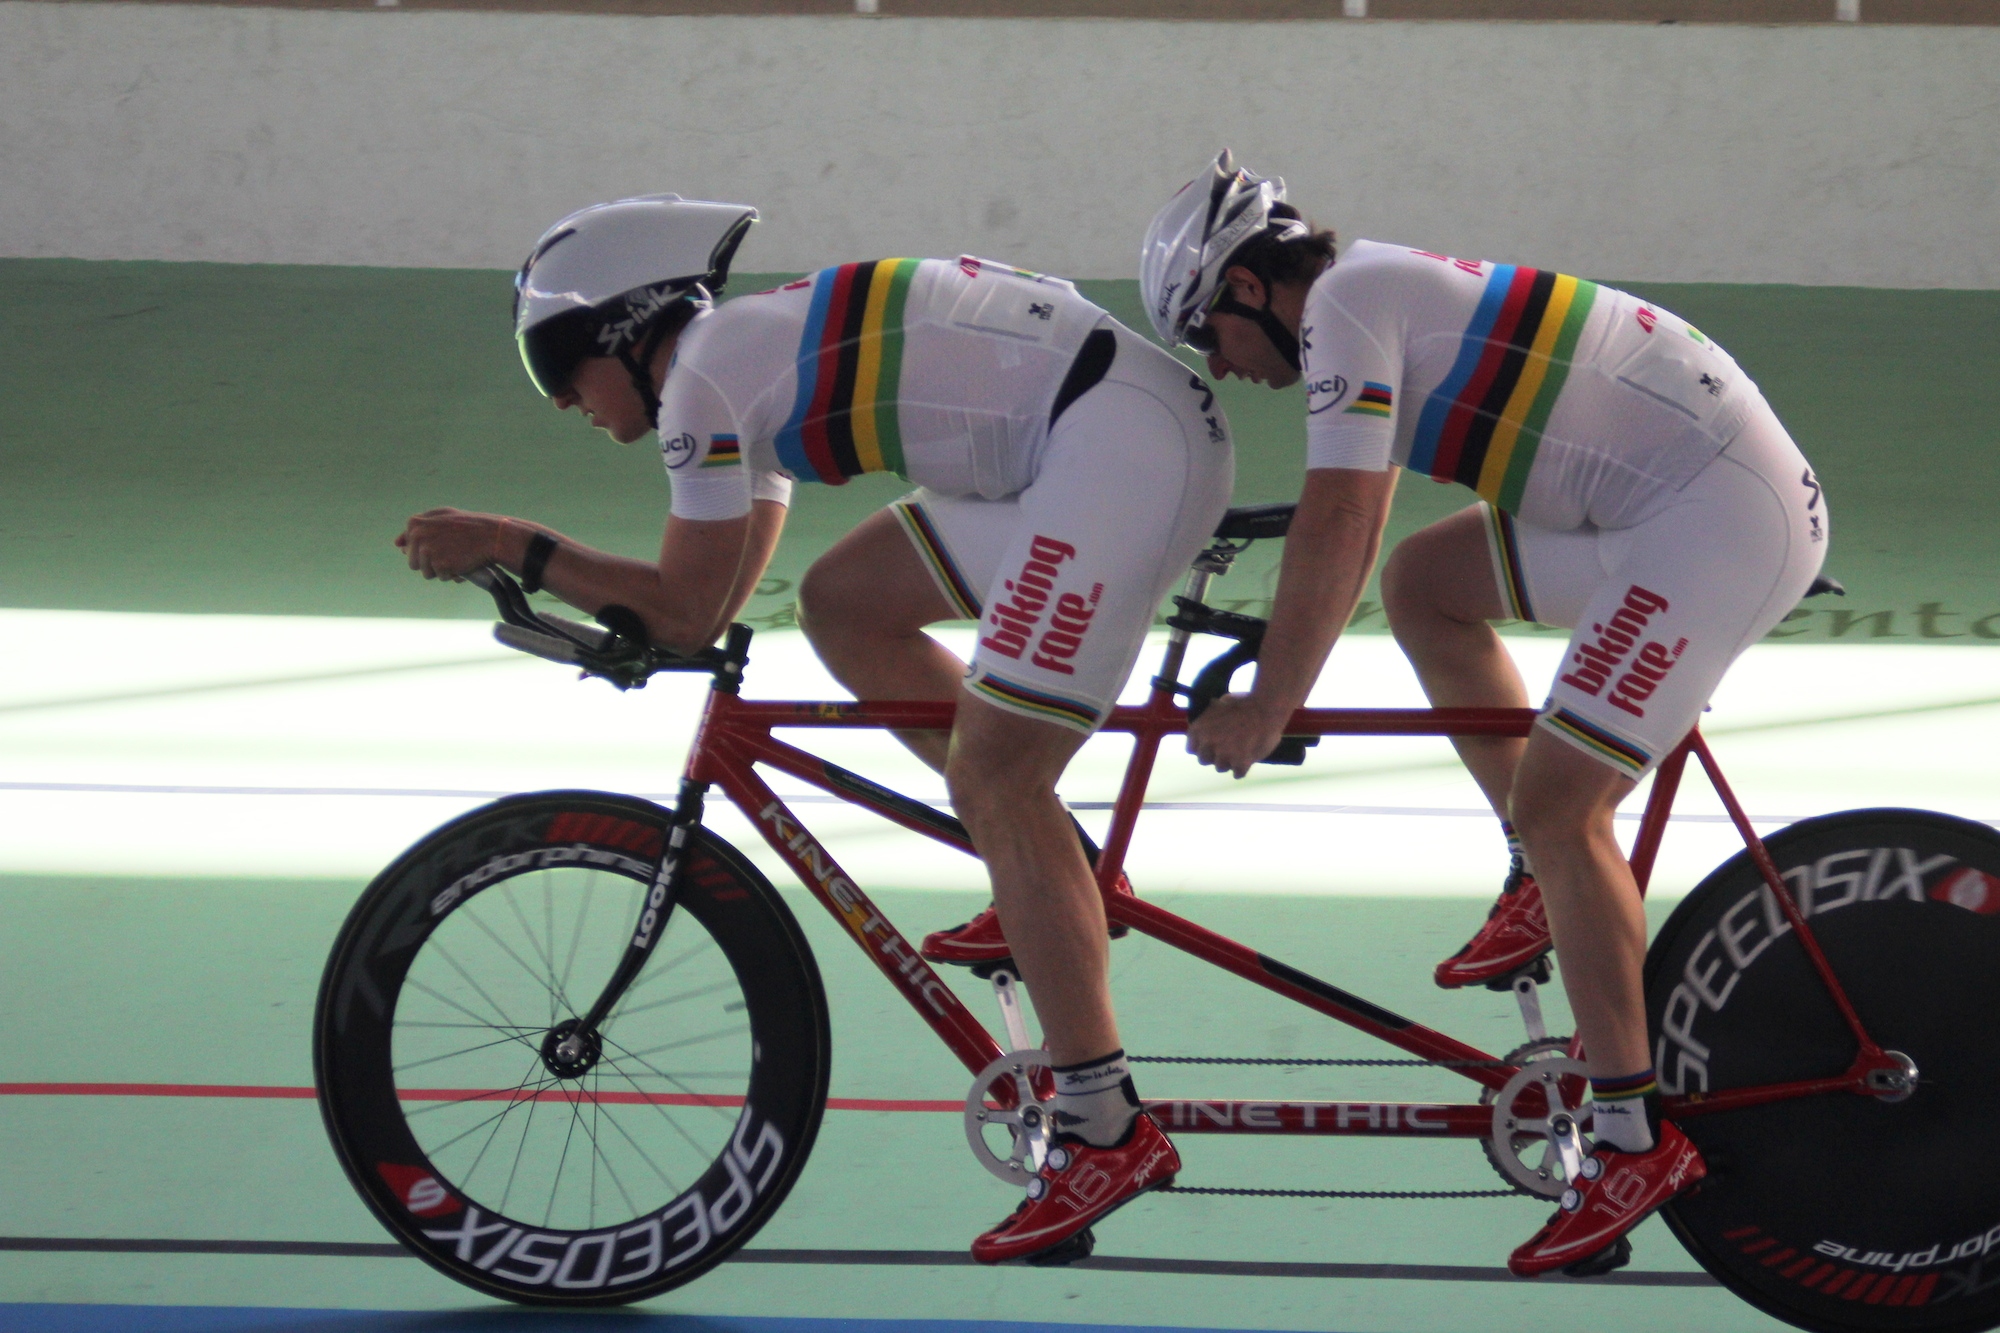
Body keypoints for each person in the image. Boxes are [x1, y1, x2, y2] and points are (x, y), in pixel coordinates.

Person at [395, 194, 1230, 1263]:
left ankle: (1102, 1126)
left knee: (998, 775)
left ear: (625, 328)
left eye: (557, 364)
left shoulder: (703, 378)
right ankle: (1046, 862)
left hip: (1117, 450)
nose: (559, 399)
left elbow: (686, 609)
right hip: (1103, 435)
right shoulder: (736, 368)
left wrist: (515, 539)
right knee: (846, 601)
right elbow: (712, 606)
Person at [1141, 153, 1825, 1276]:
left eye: (1209, 334)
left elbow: (1339, 518)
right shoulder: (1361, 298)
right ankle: (1533, 875)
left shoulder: (1348, 308)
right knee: (1427, 582)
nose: (1219, 365)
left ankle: (1625, 1138)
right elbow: (1363, 542)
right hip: (1653, 501)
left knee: (1568, 803)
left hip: (1707, 518)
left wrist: (1269, 703)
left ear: (1251, 288)